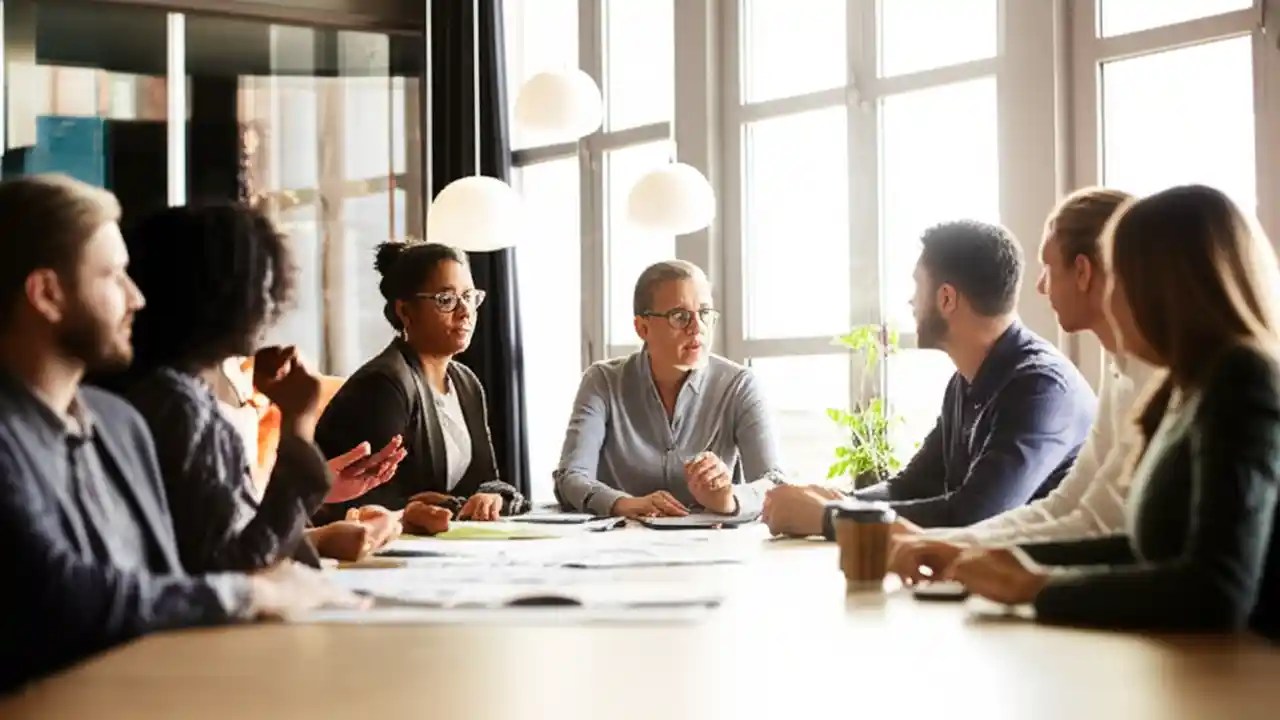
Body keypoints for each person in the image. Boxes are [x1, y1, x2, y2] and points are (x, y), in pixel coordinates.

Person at [0, 175, 359, 692]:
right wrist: (249, 594)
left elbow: (168, 585)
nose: (137, 298)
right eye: (112, 276)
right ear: (47, 294)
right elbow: (63, 598)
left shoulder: (119, 425)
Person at [943, 185, 1280, 638]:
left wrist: (1036, 586)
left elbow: (1216, 589)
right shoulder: (1187, 388)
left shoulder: (1242, 379)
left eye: (1118, 279)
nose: (1109, 297)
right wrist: (1003, 560)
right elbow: (1145, 552)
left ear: (1165, 288)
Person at [762, 220, 1096, 536]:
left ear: (947, 298)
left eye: (917, 286)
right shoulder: (964, 382)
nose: (911, 301)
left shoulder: (1041, 387)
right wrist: (840, 501)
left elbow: (975, 516)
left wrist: (828, 517)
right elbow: (912, 485)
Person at [118, 205, 405, 570]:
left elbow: (228, 533)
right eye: (260, 285)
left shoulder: (178, 395)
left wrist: (317, 529)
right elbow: (238, 564)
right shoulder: (177, 406)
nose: (273, 305)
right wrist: (297, 428)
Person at [890, 188, 1152, 579]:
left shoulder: (1045, 385)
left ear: (1083, 272)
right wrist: (949, 546)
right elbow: (1076, 511)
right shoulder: (1120, 376)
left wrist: (1027, 583)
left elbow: (1096, 526)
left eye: (1049, 267)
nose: (1041, 287)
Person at [313, 240, 527, 530]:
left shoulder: (466, 382)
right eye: (446, 300)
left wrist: (491, 496)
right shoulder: (384, 384)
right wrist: (453, 505)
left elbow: (485, 480)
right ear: (405, 311)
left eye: (469, 296)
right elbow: (366, 496)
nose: (465, 311)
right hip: (368, 547)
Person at [554, 260, 786, 518]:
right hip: (621, 543)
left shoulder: (739, 385)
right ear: (642, 327)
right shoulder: (602, 382)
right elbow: (570, 477)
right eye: (680, 316)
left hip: (713, 546)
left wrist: (729, 498)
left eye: (705, 313)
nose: (697, 328)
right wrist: (624, 504)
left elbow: (774, 483)